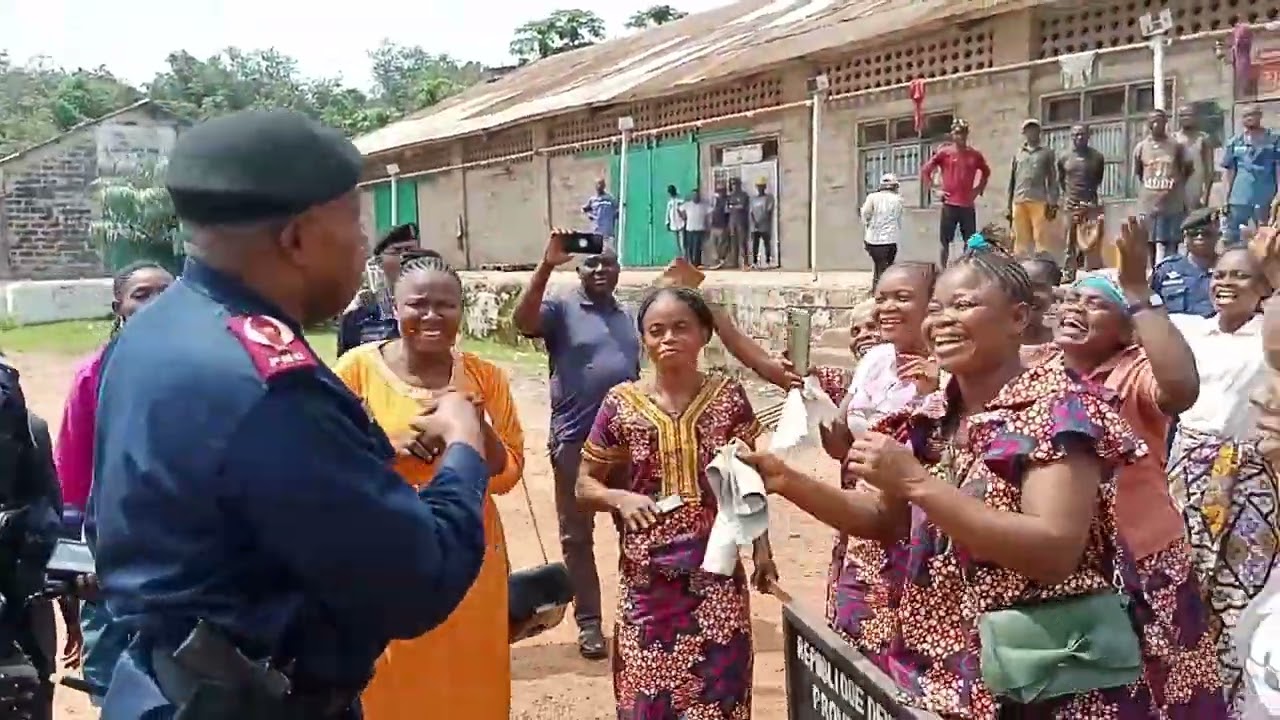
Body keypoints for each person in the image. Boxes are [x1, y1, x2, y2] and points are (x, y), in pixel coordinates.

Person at [87, 109, 494, 719]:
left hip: (166, 681)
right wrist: (464, 447)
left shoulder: (157, 331)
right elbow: (417, 581)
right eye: (355, 224)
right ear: (297, 239)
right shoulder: (267, 383)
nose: (364, 245)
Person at [738, 240, 1228, 718]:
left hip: (1040, 681)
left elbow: (1054, 549)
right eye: (937, 308)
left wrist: (917, 484)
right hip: (948, 674)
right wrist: (788, 481)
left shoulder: (1056, 413)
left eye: (964, 305)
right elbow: (887, 522)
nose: (942, 320)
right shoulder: (932, 416)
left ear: (1018, 318)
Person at [334, 253, 524, 719]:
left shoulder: (484, 376)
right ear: (395, 308)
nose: (433, 316)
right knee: (391, 680)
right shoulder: (356, 370)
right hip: (387, 554)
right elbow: (325, 463)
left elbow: (508, 474)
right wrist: (390, 446)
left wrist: (474, 429)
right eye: (419, 304)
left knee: (471, 680)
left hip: (471, 554)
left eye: (447, 305)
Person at [576, 286, 778, 719]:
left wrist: (762, 550)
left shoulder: (728, 397)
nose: (668, 338)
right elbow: (583, 485)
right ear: (643, 340)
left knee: (720, 691)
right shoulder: (621, 404)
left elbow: (750, 480)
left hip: (717, 576)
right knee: (646, 694)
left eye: (681, 327)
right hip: (647, 582)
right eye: (656, 330)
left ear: (705, 334)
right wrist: (619, 497)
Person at [1053, 222, 1221, 708]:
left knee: (1167, 684)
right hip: (1074, 558)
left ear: (1128, 330)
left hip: (1144, 560)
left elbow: (1182, 389)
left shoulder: (1135, 372)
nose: (1075, 310)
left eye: (1095, 304)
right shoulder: (1043, 366)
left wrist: (1136, 292)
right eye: (1071, 301)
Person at [512, 234, 640, 660]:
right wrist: (546, 266)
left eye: (608, 262)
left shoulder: (628, 314)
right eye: (591, 264)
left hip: (627, 441)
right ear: (578, 271)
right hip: (575, 442)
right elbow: (522, 321)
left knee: (637, 526)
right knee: (577, 536)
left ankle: (639, 612)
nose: (600, 269)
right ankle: (589, 625)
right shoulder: (562, 308)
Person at [1165, 245, 1279, 714]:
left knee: (1238, 597)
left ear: (1263, 291)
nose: (1225, 283)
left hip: (1246, 482)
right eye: (1218, 274)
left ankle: (1234, 695)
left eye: (1241, 276)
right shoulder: (1193, 331)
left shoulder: (1266, 342)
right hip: (1185, 473)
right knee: (1182, 585)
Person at [53, 261, 174, 704]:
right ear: (117, 307)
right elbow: (71, 473)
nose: (156, 303)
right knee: (116, 690)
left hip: (187, 561)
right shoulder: (94, 377)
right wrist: (79, 562)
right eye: (142, 294)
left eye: (166, 292)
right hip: (113, 567)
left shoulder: (206, 369)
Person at [336, 223, 420, 357]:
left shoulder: (430, 306)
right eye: (397, 251)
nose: (406, 257)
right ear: (379, 261)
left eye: (411, 250)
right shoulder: (360, 313)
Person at [922, 118, 990, 267]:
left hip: (967, 205)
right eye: (958, 133)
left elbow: (986, 172)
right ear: (952, 134)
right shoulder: (945, 153)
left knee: (970, 241)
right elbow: (926, 170)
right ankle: (942, 271)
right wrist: (935, 191)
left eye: (964, 133)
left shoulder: (974, 155)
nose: (961, 136)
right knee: (944, 242)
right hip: (950, 204)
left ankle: (966, 269)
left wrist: (978, 189)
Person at [1134, 108, 1192, 266]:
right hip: (1150, 204)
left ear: (1166, 123)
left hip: (1172, 203)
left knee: (1171, 242)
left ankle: (1170, 270)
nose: (1156, 124)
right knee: (1150, 241)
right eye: (1153, 121)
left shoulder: (1176, 146)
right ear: (1148, 124)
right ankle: (1153, 272)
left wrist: (1173, 185)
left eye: (1160, 121)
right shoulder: (1141, 147)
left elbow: (1187, 169)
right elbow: (1139, 172)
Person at [1222, 105, 1280, 248]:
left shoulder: (1273, 140)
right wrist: (1225, 199)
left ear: (1260, 116)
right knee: (1233, 238)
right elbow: (1229, 171)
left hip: (1265, 196)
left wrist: (1278, 195)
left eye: (1253, 114)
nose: (1249, 118)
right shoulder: (1235, 142)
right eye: (1246, 115)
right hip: (1239, 197)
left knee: (1266, 236)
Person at [1057, 124, 1108, 281]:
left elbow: (1098, 178)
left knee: (1090, 241)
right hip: (1071, 205)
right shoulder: (1064, 157)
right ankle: (1069, 273)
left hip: (1090, 205)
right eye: (1076, 135)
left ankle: (1090, 274)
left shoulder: (1097, 157)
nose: (1079, 138)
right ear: (1071, 137)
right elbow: (1061, 180)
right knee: (1069, 241)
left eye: (1082, 134)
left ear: (1088, 136)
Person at [1149, 207, 1219, 318]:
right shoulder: (1166, 270)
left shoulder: (1228, 270)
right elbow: (1151, 303)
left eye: (1206, 233)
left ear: (1217, 236)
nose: (1200, 237)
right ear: (1185, 238)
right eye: (1194, 234)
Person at [1008, 118, 1059, 257]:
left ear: (1039, 132)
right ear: (1024, 133)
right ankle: (1022, 265)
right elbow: (1012, 180)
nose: (1031, 133)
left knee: (1041, 237)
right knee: (1020, 239)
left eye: (1034, 129)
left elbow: (1052, 178)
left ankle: (1042, 265)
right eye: (1028, 130)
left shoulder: (1046, 153)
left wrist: (1053, 202)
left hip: (1038, 199)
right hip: (1019, 200)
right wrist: (1009, 205)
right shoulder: (1018, 154)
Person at [860, 173, 904, 287]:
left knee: (879, 267)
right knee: (886, 268)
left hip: (873, 240)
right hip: (891, 240)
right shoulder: (898, 200)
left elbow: (865, 213)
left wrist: (868, 224)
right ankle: (880, 291)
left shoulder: (872, 197)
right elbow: (898, 218)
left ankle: (878, 291)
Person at [1019, 252, 1061, 365]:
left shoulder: (1065, 350)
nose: (1026, 292)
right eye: (1019, 285)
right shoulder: (1001, 346)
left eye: (1035, 286)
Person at [1174, 104, 1216, 211]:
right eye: (1183, 115)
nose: (1186, 118)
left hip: (1195, 190)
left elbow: (1209, 170)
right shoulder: (1173, 139)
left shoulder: (1203, 139)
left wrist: (1205, 195)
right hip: (1175, 192)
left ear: (1195, 117)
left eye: (1189, 115)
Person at [583, 179, 618, 251]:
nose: (599, 186)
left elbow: (617, 210)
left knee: (607, 254)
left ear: (604, 186)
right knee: (596, 253)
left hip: (608, 232)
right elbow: (584, 209)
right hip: (596, 231)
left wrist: (613, 217)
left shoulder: (610, 199)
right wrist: (590, 216)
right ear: (595, 186)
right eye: (598, 184)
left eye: (601, 184)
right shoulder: (593, 200)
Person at [749, 178, 776, 268]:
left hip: (764, 225)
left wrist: (760, 222)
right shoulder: (753, 199)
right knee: (755, 245)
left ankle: (768, 260)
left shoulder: (769, 198)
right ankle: (754, 262)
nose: (760, 188)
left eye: (762, 186)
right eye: (759, 186)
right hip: (755, 226)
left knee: (766, 243)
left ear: (765, 187)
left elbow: (768, 212)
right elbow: (751, 212)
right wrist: (754, 222)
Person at [727, 178, 752, 268]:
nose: (734, 186)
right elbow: (727, 209)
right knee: (733, 243)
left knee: (742, 242)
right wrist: (734, 206)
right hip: (732, 222)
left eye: (735, 184)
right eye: (732, 184)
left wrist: (733, 206)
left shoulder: (743, 195)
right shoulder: (730, 196)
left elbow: (742, 206)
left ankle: (745, 262)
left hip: (741, 222)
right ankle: (734, 262)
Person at [682, 189, 710, 269]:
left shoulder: (704, 205)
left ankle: (697, 263)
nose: (695, 197)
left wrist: (708, 226)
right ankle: (691, 263)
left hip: (700, 229)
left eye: (697, 195)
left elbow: (709, 215)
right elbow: (679, 209)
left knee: (697, 247)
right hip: (690, 229)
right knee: (690, 247)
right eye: (694, 195)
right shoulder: (687, 205)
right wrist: (683, 217)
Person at [709, 185, 732, 268]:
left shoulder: (726, 201)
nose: (719, 193)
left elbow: (728, 213)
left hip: (722, 225)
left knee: (722, 245)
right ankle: (716, 261)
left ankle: (721, 260)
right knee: (713, 244)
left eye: (721, 191)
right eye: (718, 191)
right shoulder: (715, 201)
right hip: (714, 225)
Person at [665, 184, 685, 260]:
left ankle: (684, 257)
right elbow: (668, 213)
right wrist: (667, 222)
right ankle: (678, 257)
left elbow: (683, 210)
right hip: (673, 223)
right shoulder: (670, 202)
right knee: (676, 243)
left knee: (682, 243)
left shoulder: (680, 200)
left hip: (681, 223)